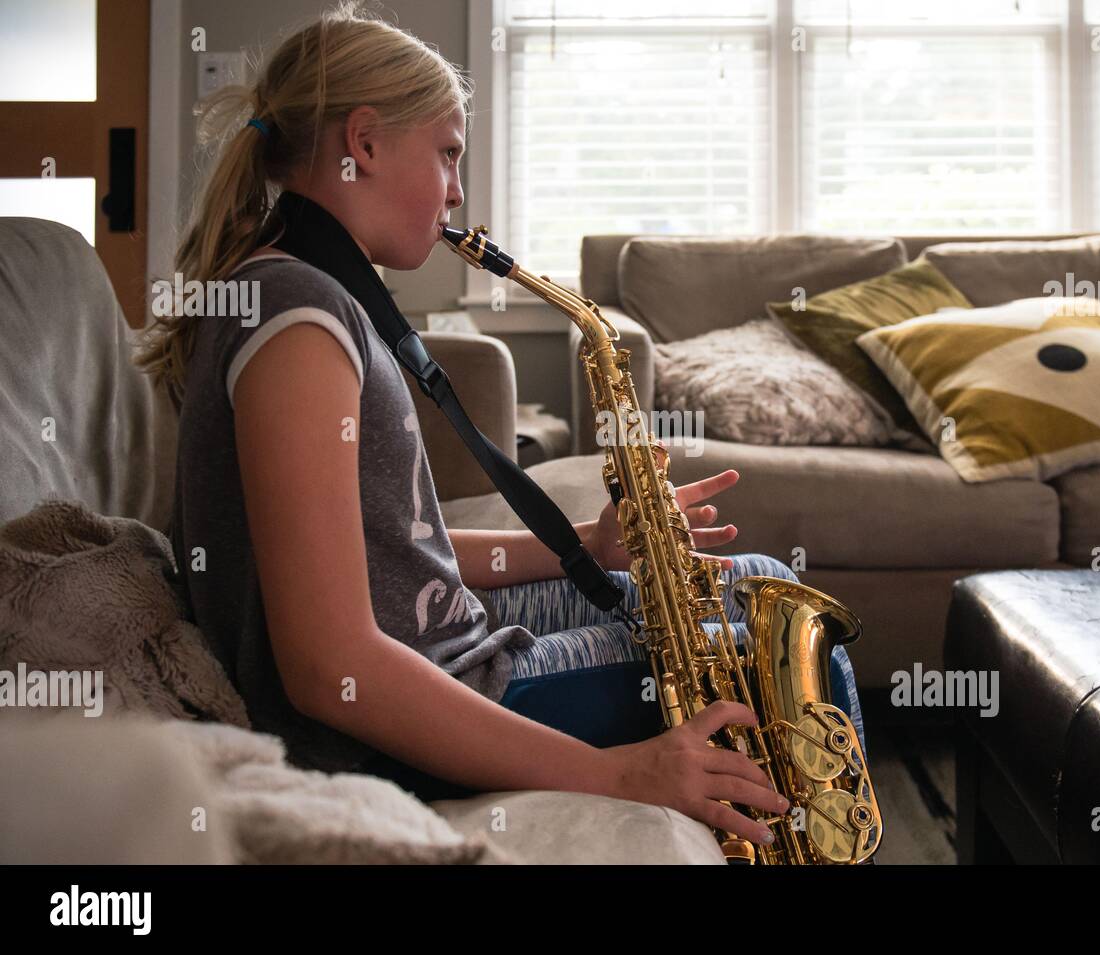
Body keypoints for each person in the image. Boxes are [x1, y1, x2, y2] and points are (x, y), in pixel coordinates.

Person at [135, 2, 864, 853]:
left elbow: (390, 546)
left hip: (448, 653)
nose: (456, 191)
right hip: (416, 717)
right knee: (809, 673)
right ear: (363, 143)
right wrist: (624, 772)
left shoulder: (302, 292)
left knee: (765, 583)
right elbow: (329, 668)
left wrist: (583, 549)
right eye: (448, 153)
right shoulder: (300, 320)